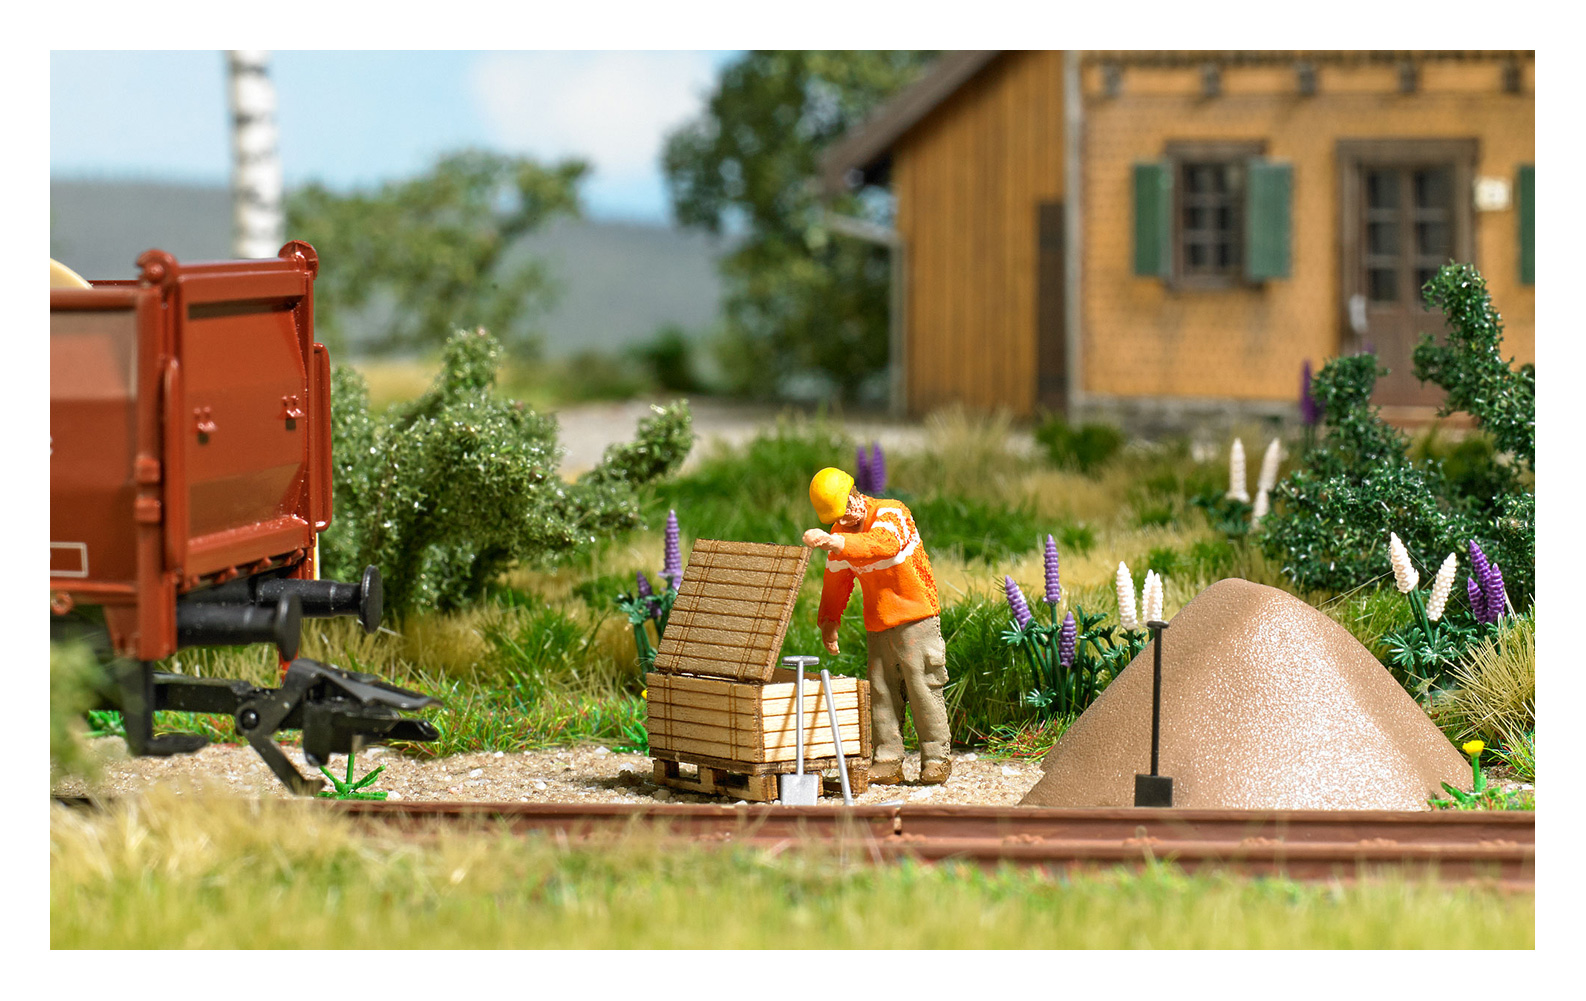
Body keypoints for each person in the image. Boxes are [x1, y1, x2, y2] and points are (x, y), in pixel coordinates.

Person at [801, 467, 951, 785]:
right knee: (882, 693)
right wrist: (829, 620)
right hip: (878, 622)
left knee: (923, 686)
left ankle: (936, 758)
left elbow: (883, 544)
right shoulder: (841, 535)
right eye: (836, 517)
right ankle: (887, 760)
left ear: (855, 496)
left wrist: (836, 541)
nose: (844, 520)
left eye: (845, 512)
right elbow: (836, 581)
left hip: (916, 618)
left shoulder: (891, 513)